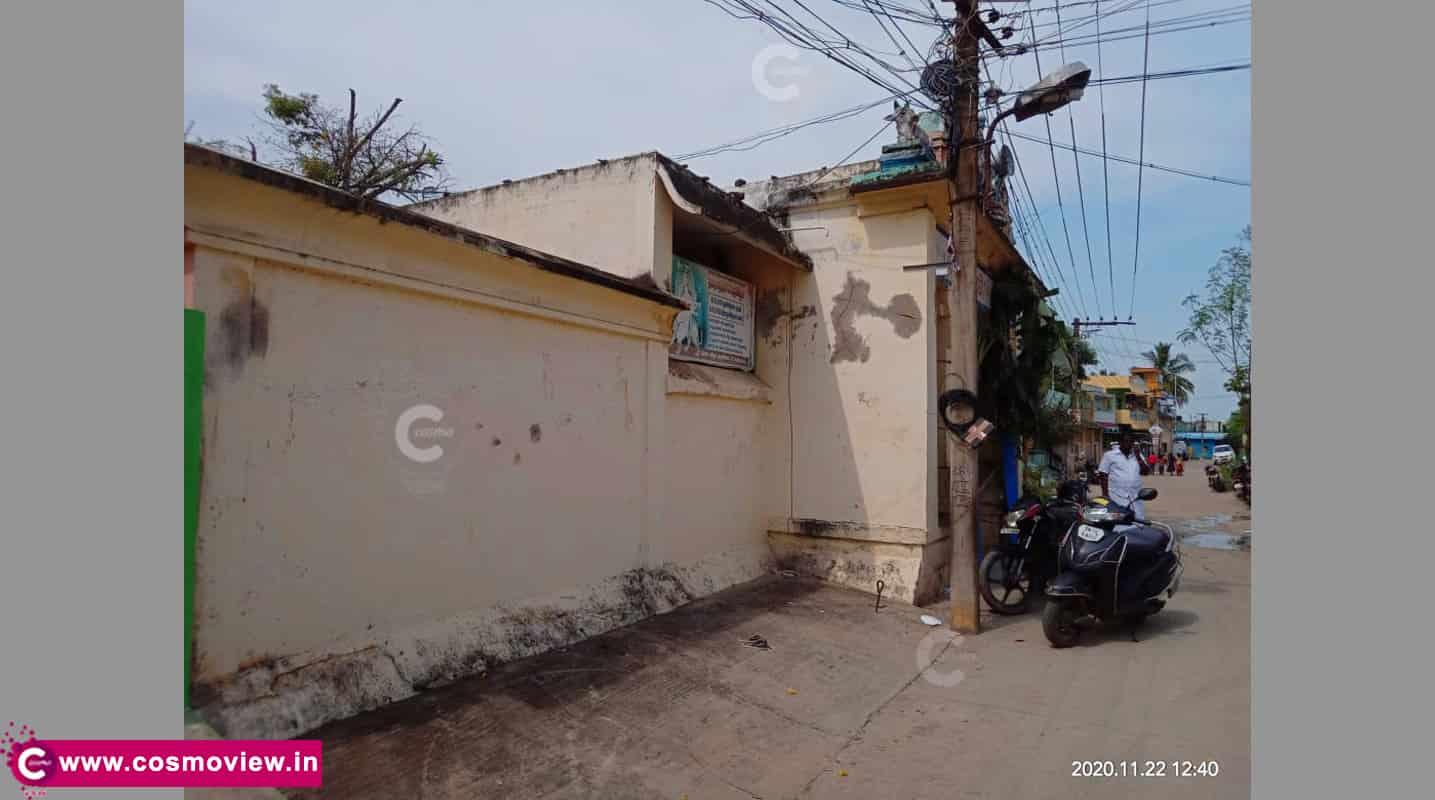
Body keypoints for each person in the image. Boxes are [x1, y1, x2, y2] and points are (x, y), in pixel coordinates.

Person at [1099, 434, 1148, 521]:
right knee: (1118, 522)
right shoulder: (1109, 455)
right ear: (1120, 443)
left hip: (1135, 497)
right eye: (1126, 441)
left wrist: (1138, 457)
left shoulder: (1138, 455)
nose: (1128, 444)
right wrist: (1105, 495)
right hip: (1116, 497)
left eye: (1130, 442)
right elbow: (1103, 475)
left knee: (1138, 522)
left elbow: (1145, 471)